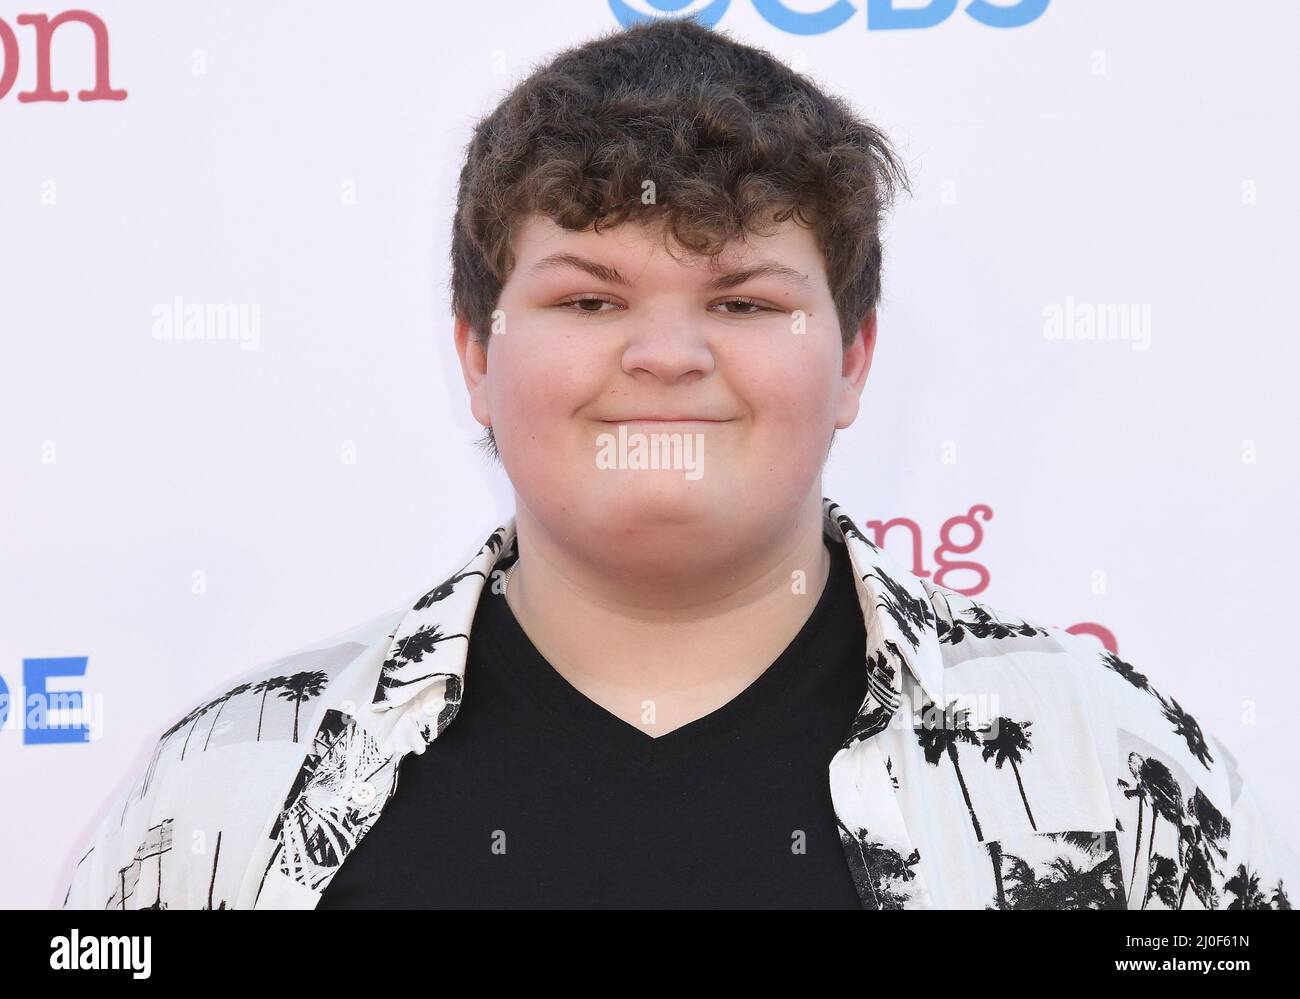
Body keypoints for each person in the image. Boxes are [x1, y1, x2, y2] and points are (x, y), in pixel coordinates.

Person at [62, 17, 1296, 910]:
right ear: (473, 358)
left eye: (746, 303)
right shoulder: (227, 792)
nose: (664, 355)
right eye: (590, 302)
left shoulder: (1105, 770)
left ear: (855, 358)